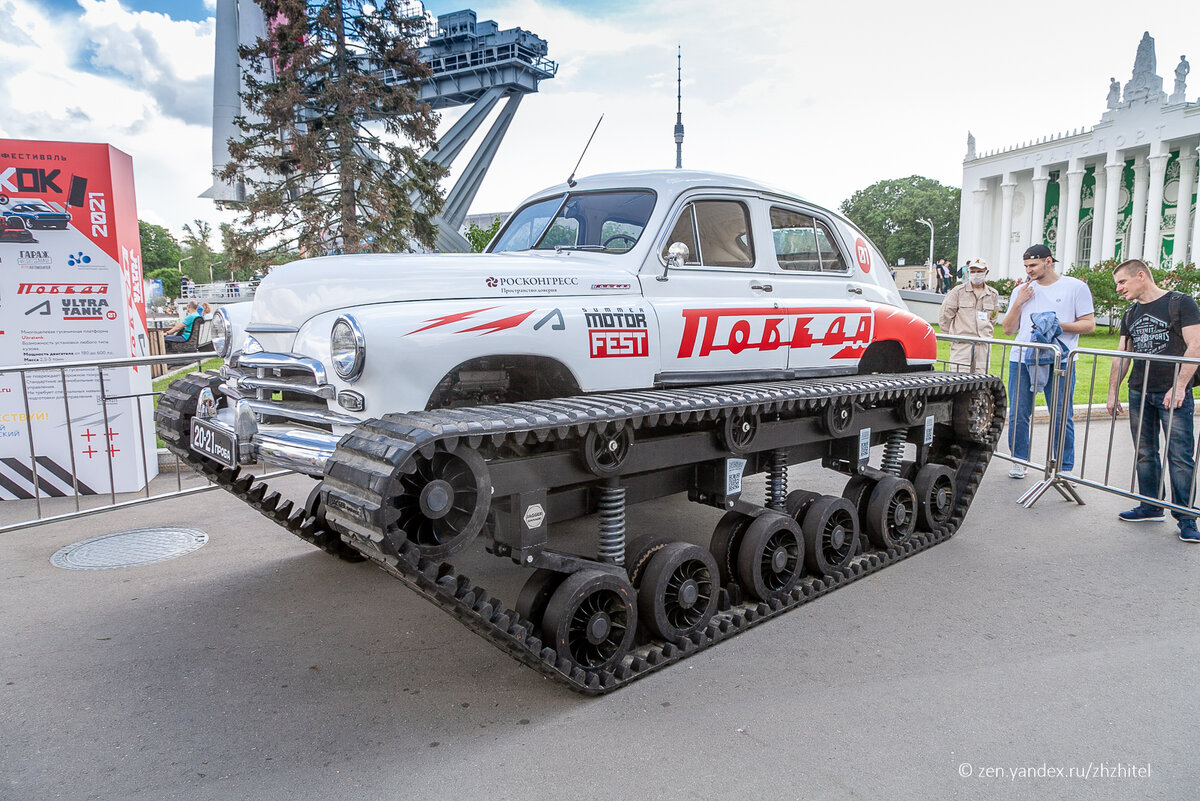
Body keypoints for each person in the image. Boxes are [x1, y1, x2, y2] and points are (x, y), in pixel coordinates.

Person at [1105, 259, 1200, 542]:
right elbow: (1123, 354)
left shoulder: (1180, 303)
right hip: (1140, 391)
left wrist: (1180, 386)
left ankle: (1186, 517)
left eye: (1122, 282)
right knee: (1145, 452)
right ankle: (1151, 505)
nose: (1119, 289)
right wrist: (1113, 391)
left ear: (1141, 276)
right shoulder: (1131, 313)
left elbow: (1195, 345)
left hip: (1172, 392)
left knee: (1180, 456)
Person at [1001, 244, 1095, 479]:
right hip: (1022, 358)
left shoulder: (1075, 287)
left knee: (1062, 413)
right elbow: (1008, 329)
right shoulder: (1022, 290)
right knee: (1019, 412)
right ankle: (1019, 460)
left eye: (1033, 265)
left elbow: (1089, 324)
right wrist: (1018, 302)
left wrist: (1054, 325)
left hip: (1059, 359)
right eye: (1025, 266)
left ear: (1048, 261)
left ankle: (1064, 467)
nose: (1029, 270)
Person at [938, 259, 1000, 372]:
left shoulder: (993, 294)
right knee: (958, 381)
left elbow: (993, 319)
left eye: (979, 271)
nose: (976, 274)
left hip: (983, 346)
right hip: (962, 345)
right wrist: (952, 337)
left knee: (980, 383)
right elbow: (945, 316)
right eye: (973, 271)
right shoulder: (958, 291)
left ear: (986, 272)